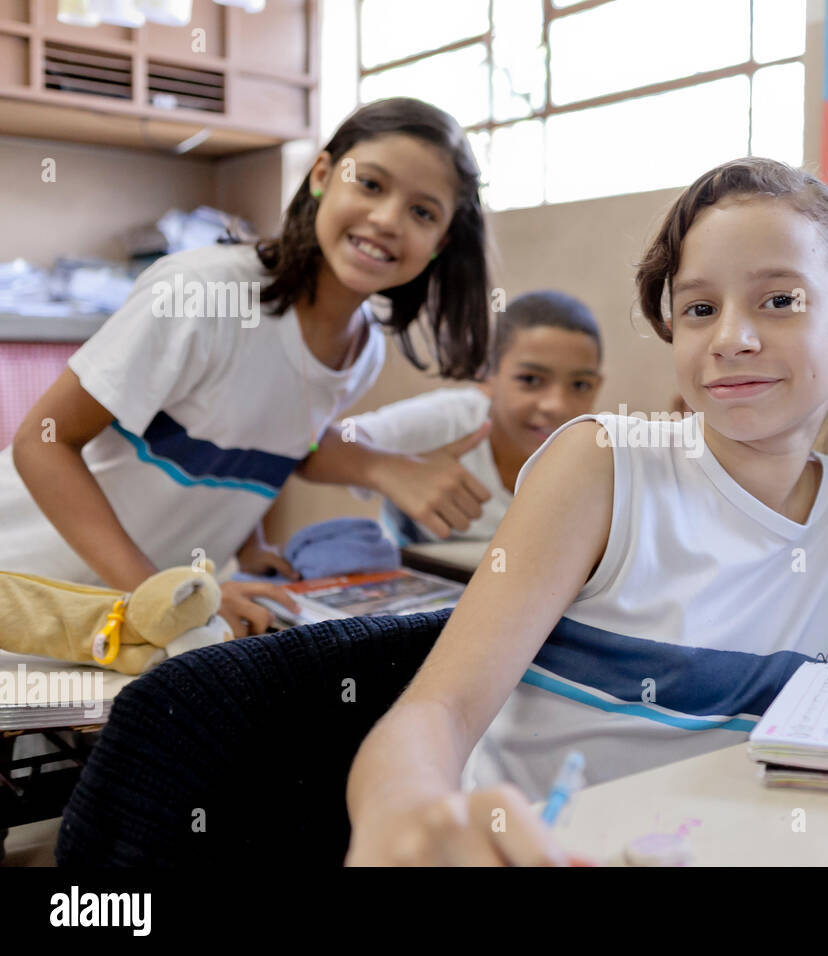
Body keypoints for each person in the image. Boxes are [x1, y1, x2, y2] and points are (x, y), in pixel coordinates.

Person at [344, 157, 828, 865]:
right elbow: (437, 710)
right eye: (699, 309)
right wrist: (404, 808)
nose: (730, 338)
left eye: (780, 300)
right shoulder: (604, 465)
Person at [0, 97, 493, 636]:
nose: (387, 220)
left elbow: (262, 440)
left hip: (123, 621)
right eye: (371, 184)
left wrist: (250, 543)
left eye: (423, 212)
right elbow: (42, 442)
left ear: (442, 241)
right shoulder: (201, 292)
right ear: (322, 175)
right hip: (23, 592)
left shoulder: (365, 350)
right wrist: (160, 594)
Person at [350, 290, 604, 543]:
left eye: (580, 385)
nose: (556, 406)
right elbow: (335, 439)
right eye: (530, 380)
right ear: (486, 375)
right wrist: (390, 469)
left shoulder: (597, 462)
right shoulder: (449, 421)